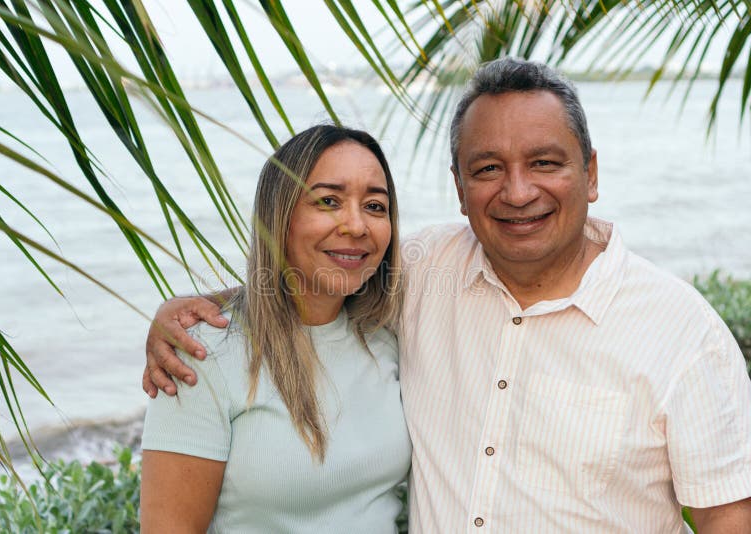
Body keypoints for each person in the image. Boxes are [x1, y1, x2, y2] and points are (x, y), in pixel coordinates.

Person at [142, 59, 751, 532]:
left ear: (590, 174)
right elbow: (322, 268)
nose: (517, 192)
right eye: (487, 169)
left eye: (544, 162)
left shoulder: (680, 331)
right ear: (459, 188)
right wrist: (194, 312)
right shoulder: (425, 271)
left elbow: (729, 516)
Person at [140, 125, 411, 533]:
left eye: (375, 206)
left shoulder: (386, 334)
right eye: (328, 201)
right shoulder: (203, 355)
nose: (357, 225)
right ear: (278, 217)